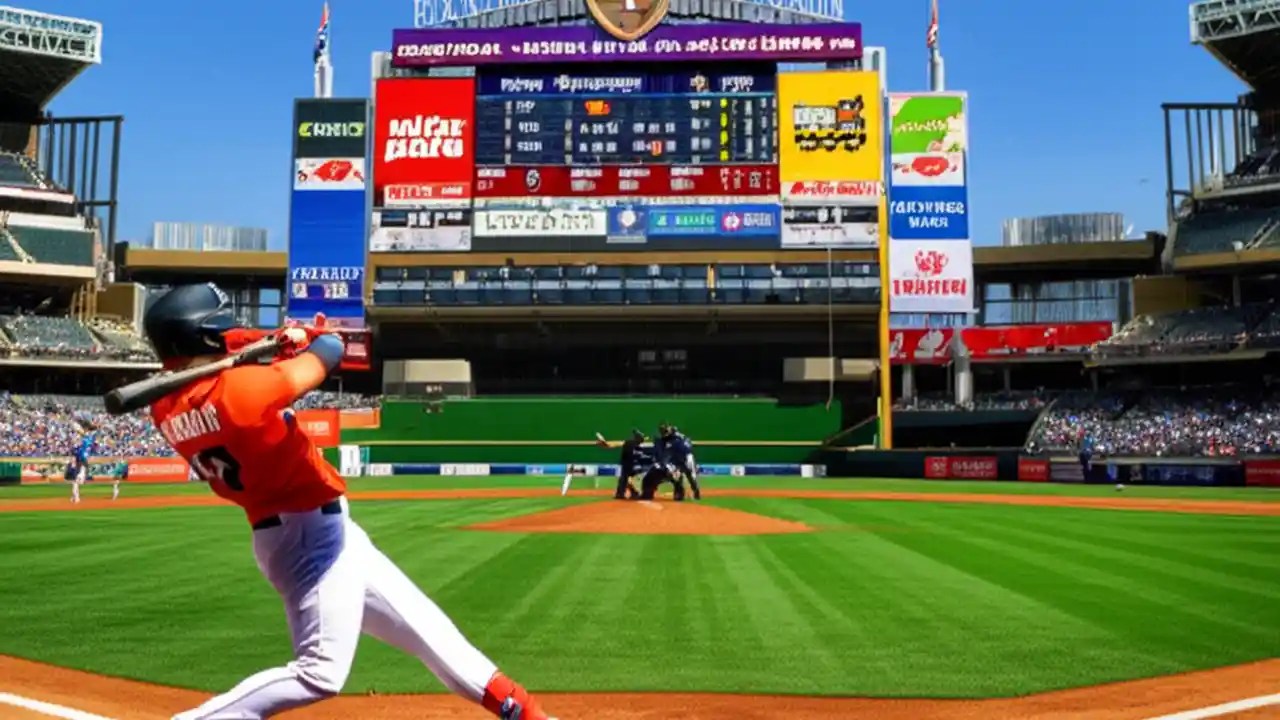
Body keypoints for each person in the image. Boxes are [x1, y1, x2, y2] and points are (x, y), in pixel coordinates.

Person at [143, 284, 556, 720]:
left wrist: (278, 337)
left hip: (311, 531)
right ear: (200, 337)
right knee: (320, 672)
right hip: (306, 539)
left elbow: (234, 349)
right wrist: (319, 339)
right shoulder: (243, 392)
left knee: (432, 634)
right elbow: (324, 357)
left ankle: (527, 713)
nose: (225, 330)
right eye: (216, 325)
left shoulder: (165, 407)